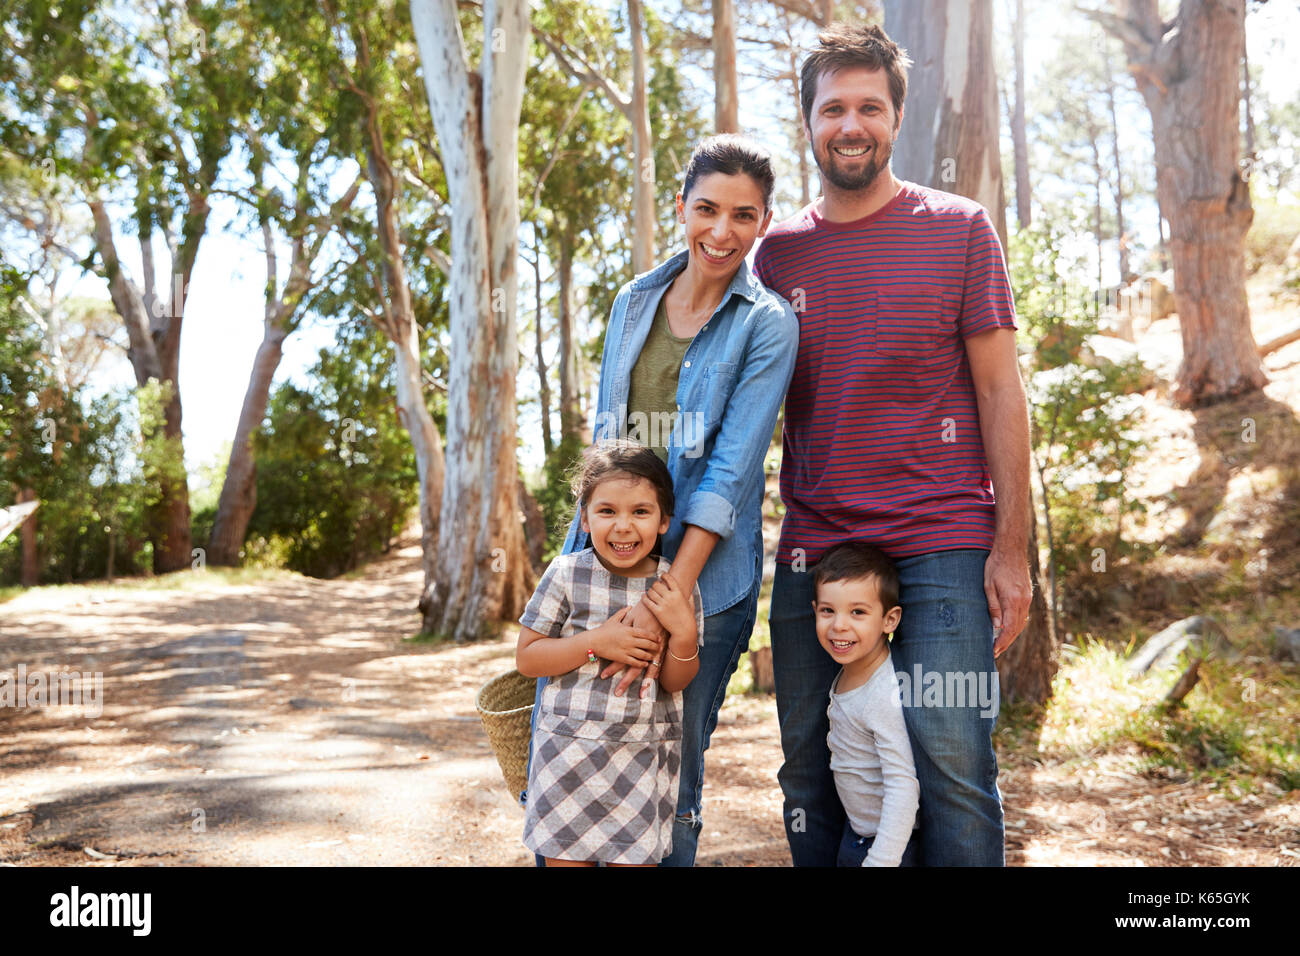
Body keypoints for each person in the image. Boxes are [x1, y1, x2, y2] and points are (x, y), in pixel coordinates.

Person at [753, 22, 1033, 867]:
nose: (850, 123)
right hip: (817, 548)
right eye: (832, 107)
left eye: (868, 105)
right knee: (810, 771)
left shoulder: (960, 229)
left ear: (897, 117)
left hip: (942, 538)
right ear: (808, 121)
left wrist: (1011, 550)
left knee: (951, 763)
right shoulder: (775, 256)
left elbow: (1000, 392)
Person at [528, 134, 799, 867]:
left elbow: (731, 474)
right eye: (706, 208)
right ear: (681, 207)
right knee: (560, 760)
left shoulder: (768, 325)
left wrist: (663, 596)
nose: (721, 231)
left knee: (667, 783)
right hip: (599, 567)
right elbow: (606, 443)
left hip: (699, 588)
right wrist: (578, 561)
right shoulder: (633, 301)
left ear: (763, 223)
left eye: (743, 216)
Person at [516, 441, 703, 866]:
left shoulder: (674, 587)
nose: (623, 526)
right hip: (565, 757)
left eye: (640, 511)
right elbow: (528, 657)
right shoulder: (566, 574)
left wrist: (684, 631)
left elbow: (674, 682)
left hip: (639, 760)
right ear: (584, 518)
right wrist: (594, 643)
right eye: (607, 511)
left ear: (664, 521)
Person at [812, 541, 919, 867]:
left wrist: (881, 860)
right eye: (828, 610)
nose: (839, 625)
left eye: (858, 612)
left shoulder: (883, 693)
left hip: (888, 848)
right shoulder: (849, 672)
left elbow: (903, 784)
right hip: (856, 834)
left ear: (890, 619)